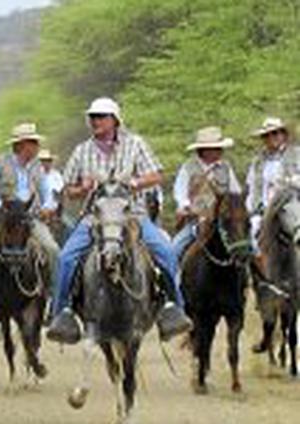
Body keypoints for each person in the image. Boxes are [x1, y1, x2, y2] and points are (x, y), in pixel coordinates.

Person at [46, 97, 193, 344]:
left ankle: (173, 308)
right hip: (95, 216)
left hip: (132, 214)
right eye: (92, 117)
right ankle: (62, 313)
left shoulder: (135, 145)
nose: (95, 121)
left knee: (166, 251)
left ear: (114, 120)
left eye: (101, 117)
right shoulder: (82, 151)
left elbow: (156, 175)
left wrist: (134, 182)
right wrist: (82, 189)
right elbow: (67, 190)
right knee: (66, 257)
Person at [0, 123, 60, 315]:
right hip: (4, 217)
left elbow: (47, 194)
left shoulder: (37, 167)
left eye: (36, 143)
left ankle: (55, 299)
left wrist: (47, 207)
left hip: (30, 217)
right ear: (21, 145)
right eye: (33, 143)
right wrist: (0, 206)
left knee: (53, 250)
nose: (36, 147)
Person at [245, 117, 300, 352]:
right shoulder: (257, 163)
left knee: (297, 224)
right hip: (264, 210)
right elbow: (251, 190)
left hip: (291, 204)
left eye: (276, 133)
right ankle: (262, 284)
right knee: (248, 239)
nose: (272, 138)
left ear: (283, 135)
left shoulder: (296, 155)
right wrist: (252, 210)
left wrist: (290, 184)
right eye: (268, 135)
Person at [171, 126, 240, 260]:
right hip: (196, 221)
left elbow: (235, 192)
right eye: (215, 148)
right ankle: (175, 279)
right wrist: (187, 207)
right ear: (204, 150)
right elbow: (180, 192)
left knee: (245, 247)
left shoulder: (225, 167)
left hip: (223, 222)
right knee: (175, 248)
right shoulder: (188, 168)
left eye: (219, 148)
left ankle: (252, 277)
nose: (220, 151)